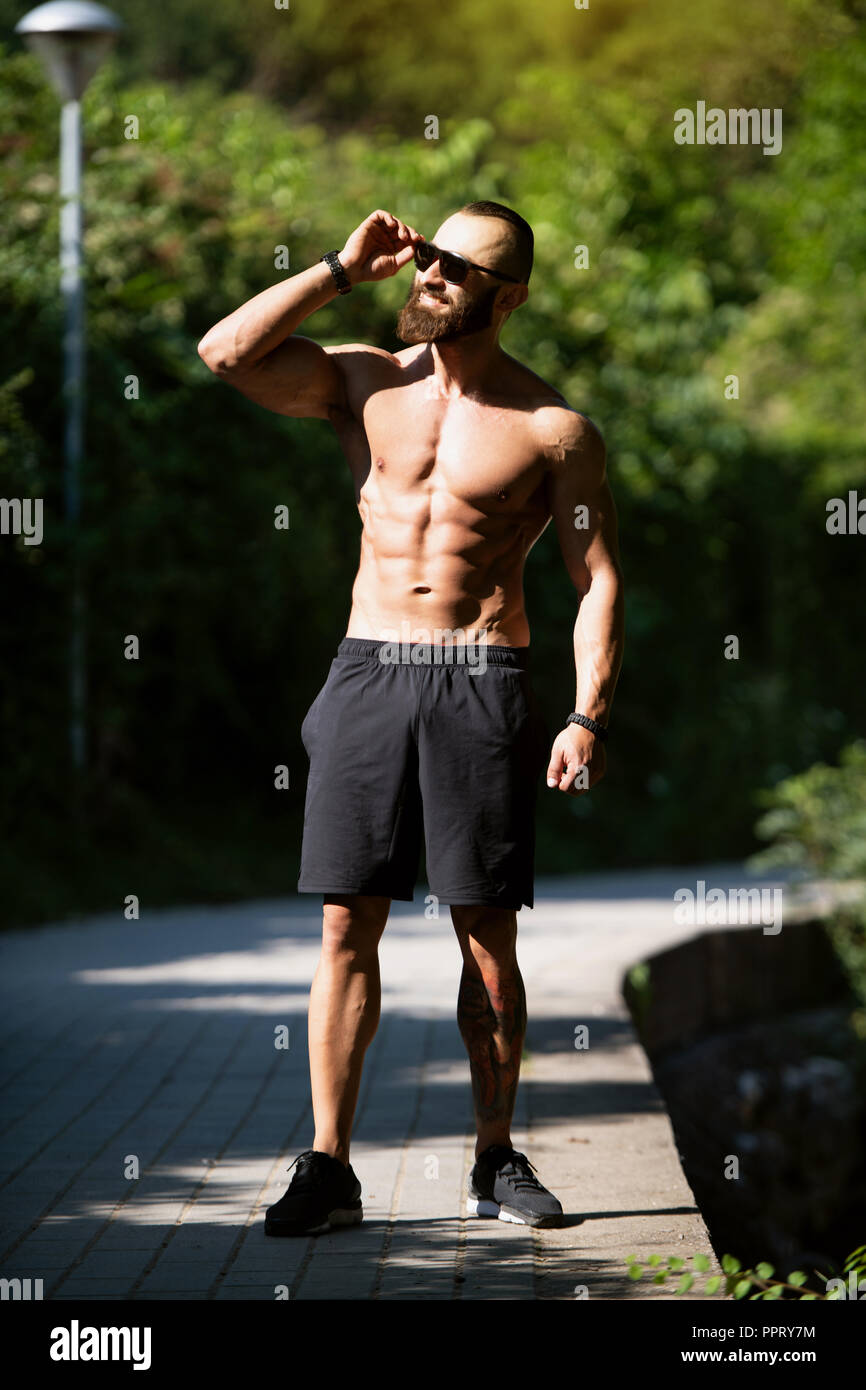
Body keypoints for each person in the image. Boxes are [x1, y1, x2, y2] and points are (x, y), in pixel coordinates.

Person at [197, 202, 625, 1234]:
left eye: (454, 266)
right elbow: (224, 354)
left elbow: (596, 578)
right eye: (424, 255)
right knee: (347, 922)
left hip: (482, 674)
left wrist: (585, 716)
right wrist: (339, 270)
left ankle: (494, 1158)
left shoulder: (552, 429)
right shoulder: (363, 380)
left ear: (507, 296)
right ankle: (327, 1168)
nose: (427, 273)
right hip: (366, 672)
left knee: (484, 934)